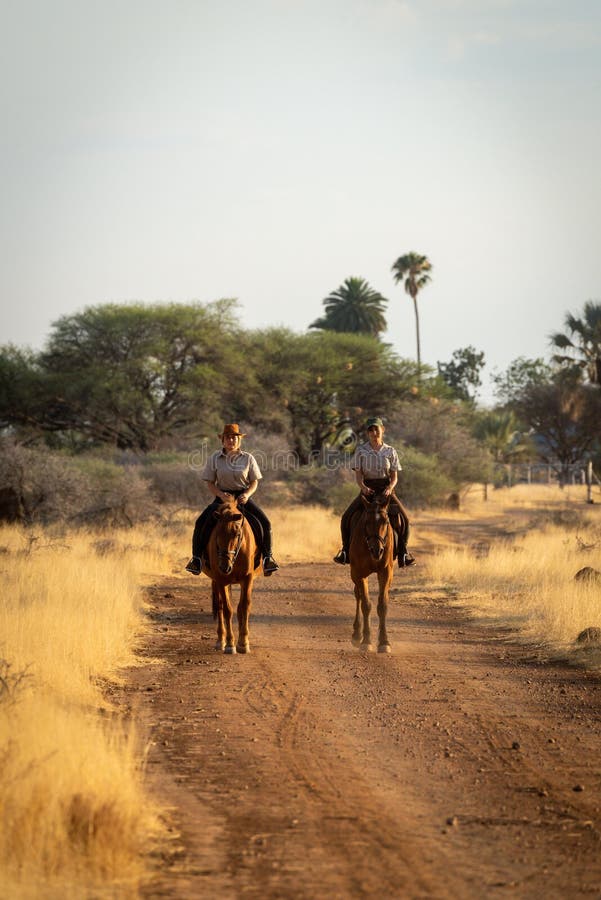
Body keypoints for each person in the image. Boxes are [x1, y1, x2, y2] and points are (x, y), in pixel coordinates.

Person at [185, 423, 279, 576]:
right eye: (228, 437)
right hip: (222, 499)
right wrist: (221, 495)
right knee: (200, 523)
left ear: (239, 440)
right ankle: (196, 560)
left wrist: (247, 494)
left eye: (235, 437)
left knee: (265, 523)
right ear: (223, 440)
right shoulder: (215, 458)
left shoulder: (248, 458)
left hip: (242, 498)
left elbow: (255, 481)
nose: (231, 440)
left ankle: (268, 558)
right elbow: (210, 482)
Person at [333, 416, 415, 567]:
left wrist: (390, 488)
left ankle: (403, 553)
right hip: (368, 489)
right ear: (367, 433)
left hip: (386, 490)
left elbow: (394, 476)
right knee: (346, 517)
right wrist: (363, 487)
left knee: (405, 519)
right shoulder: (361, 450)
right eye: (370, 430)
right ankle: (345, 551)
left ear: (382, 430)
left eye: (376, 429)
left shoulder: (390, 451)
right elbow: (358, 475)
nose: (373, 432)